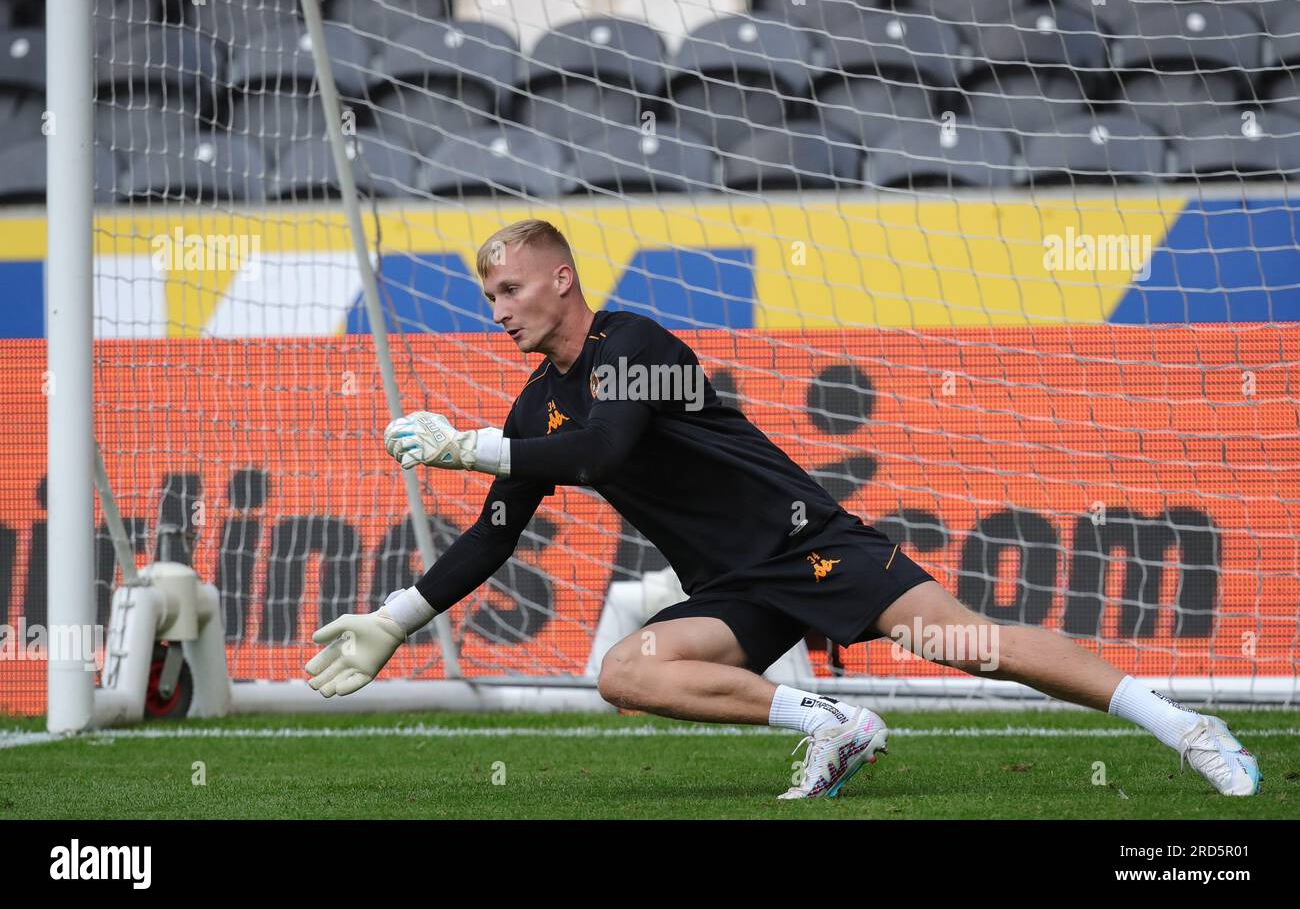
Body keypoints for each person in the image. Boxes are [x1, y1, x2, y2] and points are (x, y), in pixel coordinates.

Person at [304, 219, 1260, 799]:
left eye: (508, 288)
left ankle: (1186, 728)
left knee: (975, 646)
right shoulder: (533, 404)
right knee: (628, 671)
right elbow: (494, 534)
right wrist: (396, 621)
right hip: (734, 588)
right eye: (487, 294)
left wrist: (466, 447)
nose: (496, 307)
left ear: (561, 279)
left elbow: (603, 452)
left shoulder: (635, 342)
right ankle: (833, 724)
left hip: (811, 549)